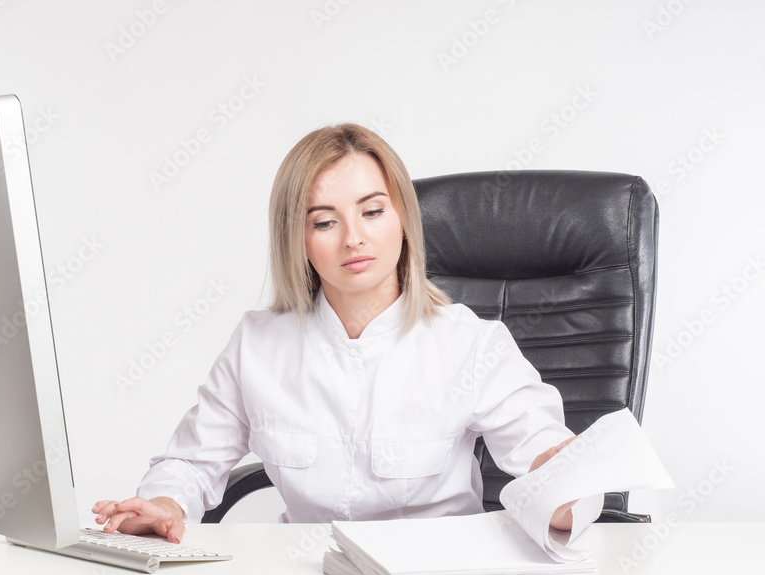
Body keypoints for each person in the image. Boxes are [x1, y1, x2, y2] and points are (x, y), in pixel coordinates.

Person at [93, 124, 601, 544]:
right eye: (324, 222)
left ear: (403, 219)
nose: (354, 238)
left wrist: (564, 486)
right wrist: (164, 505)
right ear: (297, 238)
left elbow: (552, 467)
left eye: (372, 212)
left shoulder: (472, 344)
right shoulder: (257, 344)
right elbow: (190, 462)